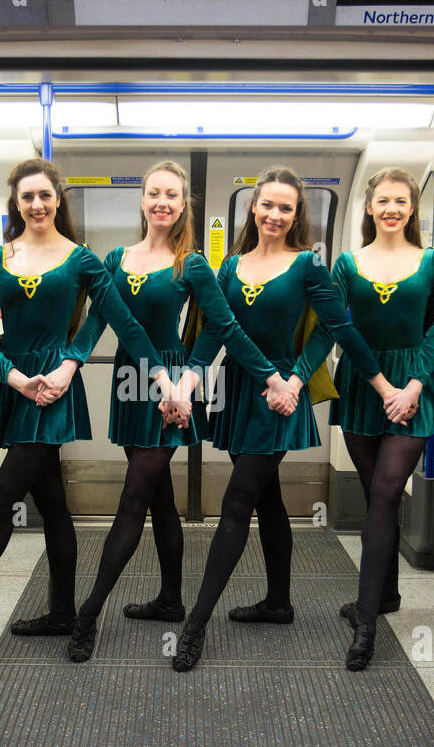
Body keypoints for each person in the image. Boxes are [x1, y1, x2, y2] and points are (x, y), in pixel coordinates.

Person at [0, 157, 178, 676]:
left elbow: (115, 320)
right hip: (17, 389)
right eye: (27, 197)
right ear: (16, 203)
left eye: (45, 196)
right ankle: (62, 612)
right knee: (53, 504)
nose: (37, 204)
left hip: (56, 391)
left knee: (1, 505)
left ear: (59, 200)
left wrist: (82, 367)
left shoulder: (83, 260)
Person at [167, 166, 401, 672]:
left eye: (286, 208)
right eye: (267, 205)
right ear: (253, 207)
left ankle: (195, 625)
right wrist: (188, 381)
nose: (275, 214)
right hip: (237, 395)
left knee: (236, 503)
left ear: (297, 216)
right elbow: (213, 334)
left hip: (279, 400)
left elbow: (332, 330)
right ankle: (279, 602)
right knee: (266, 497)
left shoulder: (307, 267)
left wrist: (295, 381)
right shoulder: (228, 267)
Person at [62, 161, 296, 662]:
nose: (162, 202)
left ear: (183, 203)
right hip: (132, 384)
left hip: (169, 394)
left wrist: (187, 381)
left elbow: (219, 327)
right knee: (158, 499)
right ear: (142, 200)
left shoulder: (190, 264)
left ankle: (88, 613)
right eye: (154, 193)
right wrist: (68, 366)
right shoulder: (115, 257)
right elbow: (98, 321)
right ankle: (171, 600)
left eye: (172, 194)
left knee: (131, 500)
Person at [305, 167, 434, 671]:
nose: (391, 208)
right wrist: (301, 375)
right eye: (383, 200)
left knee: (387, 493)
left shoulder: (432, 263)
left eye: (401, 201)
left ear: (413, 210)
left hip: (415, 390)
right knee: (375, 497)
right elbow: (337, 327)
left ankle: (365, 623)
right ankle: (384, 596)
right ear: (369, 207)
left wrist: (414, 383)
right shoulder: (346, 264)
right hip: (365, 387)